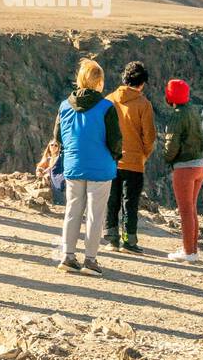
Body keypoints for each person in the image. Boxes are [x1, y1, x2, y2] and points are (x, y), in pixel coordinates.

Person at [53, 59, 122, 274]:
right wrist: (115, 156)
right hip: (100, 167)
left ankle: (68, 256)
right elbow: (115, 140)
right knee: (95, 214)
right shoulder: (106, 107)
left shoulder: (65, 106)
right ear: (99, 82)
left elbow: (57, 137)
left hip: (73, 165)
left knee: (73, 210)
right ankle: (90, 260)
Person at [104, 61, 157, 253]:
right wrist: (144, 154)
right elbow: (149, 136)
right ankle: (129, 241)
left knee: (112, 200)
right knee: (130, 202)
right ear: (142, 83)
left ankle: (111, 239)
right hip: (133, 162)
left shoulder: (109, 100)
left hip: (110, 160)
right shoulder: (144, 104)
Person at [162, 78, 203, 262]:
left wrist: (166, 157)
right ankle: (192, 249)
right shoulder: (194, 111)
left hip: (185, 167)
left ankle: (188, 253)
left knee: (185, 211)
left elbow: (171, 144)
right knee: (192, 208)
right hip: (200, 165)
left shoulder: (177, 115)